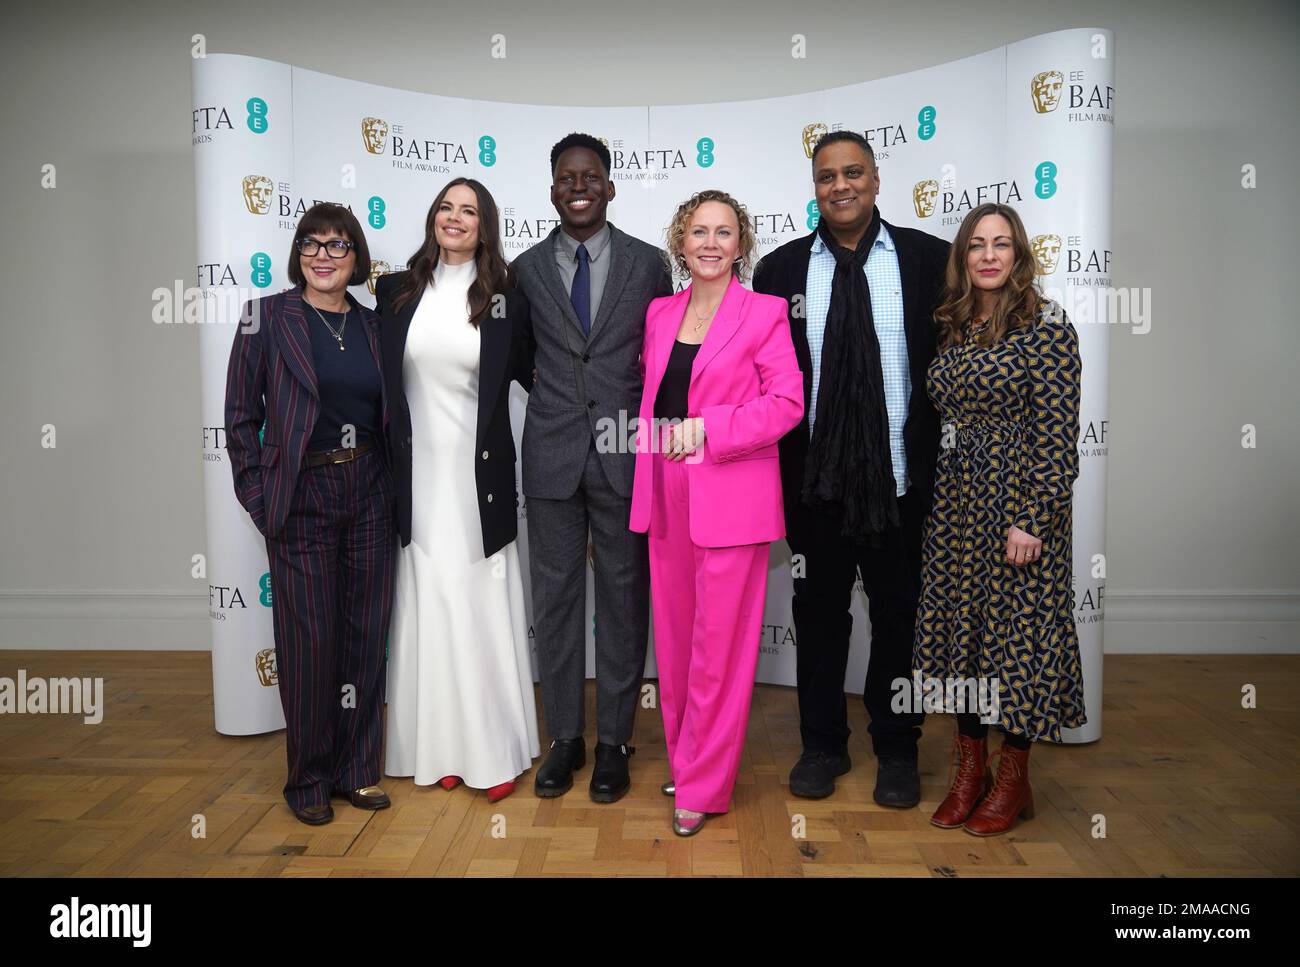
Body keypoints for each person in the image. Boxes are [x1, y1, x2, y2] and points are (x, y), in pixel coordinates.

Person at [752, 131, 950, 805]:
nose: (840, 185)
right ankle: (823, 744)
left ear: (875, 179)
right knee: (819, 616)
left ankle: (897, 748)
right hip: (817, 484)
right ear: (814, 186)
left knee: (899, 617)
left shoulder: (931, 260)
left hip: (902, 484)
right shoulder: (777, 272)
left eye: (853, 173)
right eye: (826, 175)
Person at [630, 190, 803, 836]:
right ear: (681, 241)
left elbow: (786, 403)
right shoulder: (658, 312)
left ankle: (703, 783)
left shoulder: (763, 312)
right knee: (674, 642)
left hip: (730, 491)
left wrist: (708, 428)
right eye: (698, 231)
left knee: (719, 650)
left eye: (722, 232)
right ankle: (687, 757)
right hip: (666, 492)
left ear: (741, 244)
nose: (709, 243)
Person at [511, 133, 673, 802]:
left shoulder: (648, 262)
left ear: (608, 186)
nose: (578, 185)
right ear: (553, 189)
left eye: (590, 176)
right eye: (566, 177)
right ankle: (566, 741)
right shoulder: (523, 269)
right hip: (551, 454)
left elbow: (659, 355)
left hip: (624, 454)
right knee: (554, 603)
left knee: (623, 601)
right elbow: (522, 356)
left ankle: (614, 741)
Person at [914, 202, 1085, 836]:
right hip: (957, 502)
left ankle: (1012, 779)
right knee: (966, 639)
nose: (988, 255)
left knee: (1018, 644)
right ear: (963, 256)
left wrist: (1032, 518)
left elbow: (1057, 433)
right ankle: (970, 772)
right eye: (977, 244)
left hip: (1017, 505)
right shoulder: (953, 322)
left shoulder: (1046, 326)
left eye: (1002, 244)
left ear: (1018, 255)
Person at [225, 202, 394, 826]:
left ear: (357, 258)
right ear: (298, 254)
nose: (324, 255)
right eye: (312, 244)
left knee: (364, 635)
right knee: (308, 642)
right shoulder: (265, 318)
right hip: (303, 494)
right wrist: (262, 496)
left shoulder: (375, 327)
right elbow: (240, 419)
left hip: (371, 490)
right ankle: (309, 780)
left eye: (338, 245)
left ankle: (357, 770)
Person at [376, 179, 539, 803]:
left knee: (475, 609)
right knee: (429, 608)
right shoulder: (395, 291)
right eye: (446, 207)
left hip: (481, 483)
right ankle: (439, 749)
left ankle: (492, 749)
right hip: (416, 481)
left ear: (485, 225)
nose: (455, 217)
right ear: (432, 217)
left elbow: (539, 379)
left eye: (469, 210)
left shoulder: (504, 298)